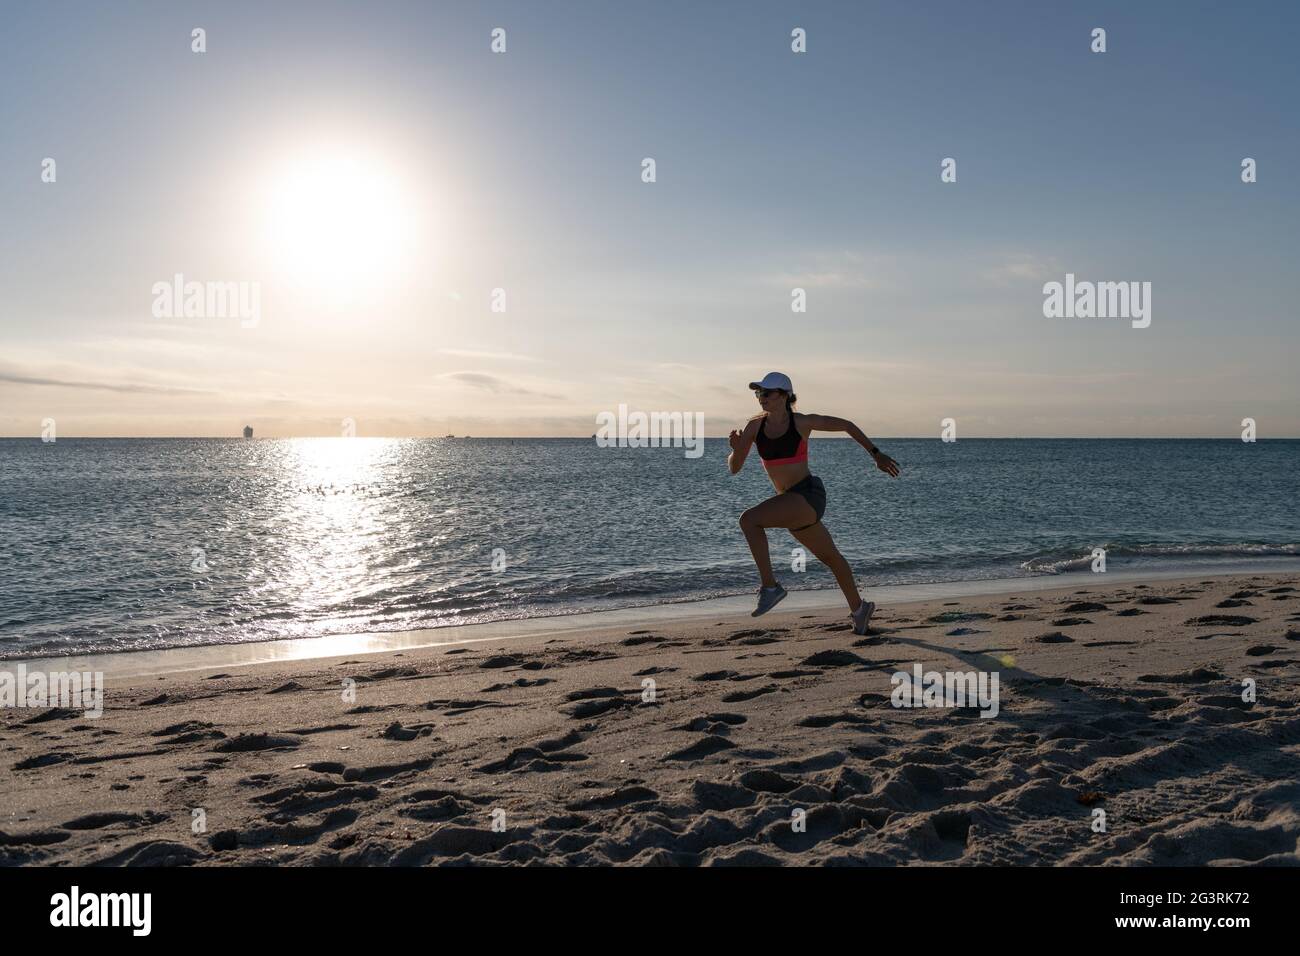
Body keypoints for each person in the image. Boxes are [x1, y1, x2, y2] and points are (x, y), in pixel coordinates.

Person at [728, 371, 900, 634]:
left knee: (749, 520)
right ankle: (860, 609)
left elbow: (847, 425)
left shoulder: (802, 423)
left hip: (807, 495)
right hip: (789, 504)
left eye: (766, 393)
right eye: (758, 393)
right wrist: (735, 449)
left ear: (784, 395)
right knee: (831, 558)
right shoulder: (754, 426)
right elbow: (734, 468)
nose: (761, 398)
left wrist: (875, 454)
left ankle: (770, 588)